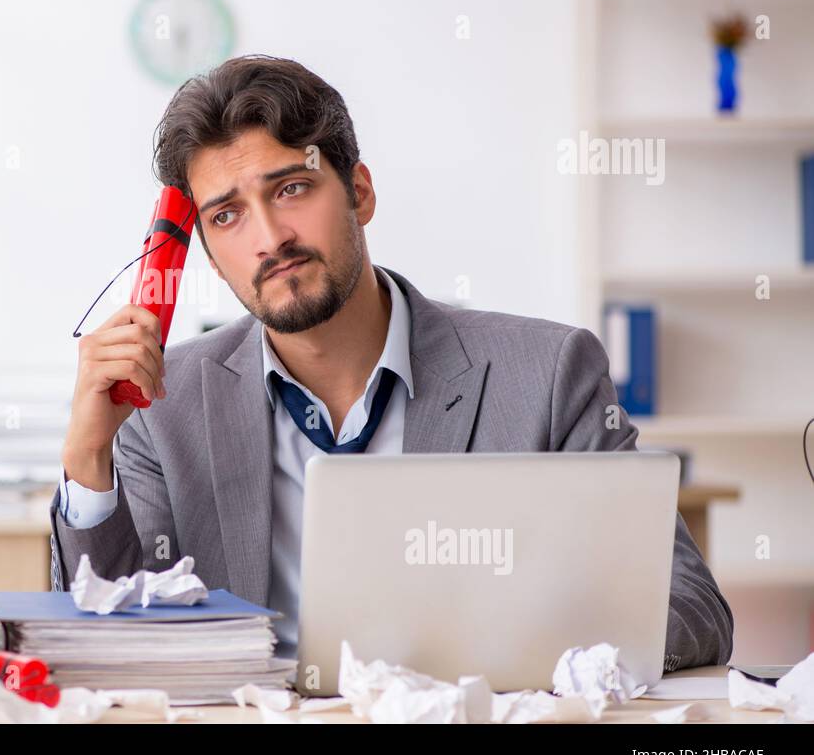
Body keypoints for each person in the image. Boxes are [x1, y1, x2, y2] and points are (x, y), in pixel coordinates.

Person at [50, 54, 733, 669]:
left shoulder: (550, 372)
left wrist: (536, 652)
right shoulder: (161, 406)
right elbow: (106, 637)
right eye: (227, 216)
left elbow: (692, 606)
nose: (270, 237)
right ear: (203, 247)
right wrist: (88, 457)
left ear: (360, 192)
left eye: (291, 188)